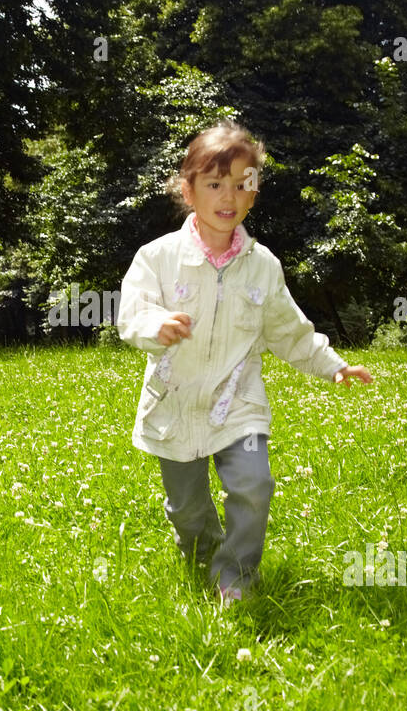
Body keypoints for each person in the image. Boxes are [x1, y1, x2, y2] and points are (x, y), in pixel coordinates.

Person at [115, 121, 373, 604]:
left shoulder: (263, 265)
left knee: (254, 485)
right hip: (174, 408)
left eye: (241, 184)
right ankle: (203, 552)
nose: (228, 196)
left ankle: (235, 577)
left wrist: (332, 365)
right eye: (214, 184)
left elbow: (287, 330)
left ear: (254, 194)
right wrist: (155, 326)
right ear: (188, 190)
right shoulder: (157, 258)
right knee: (187, 511)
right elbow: (132, 314)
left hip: (239, 405)